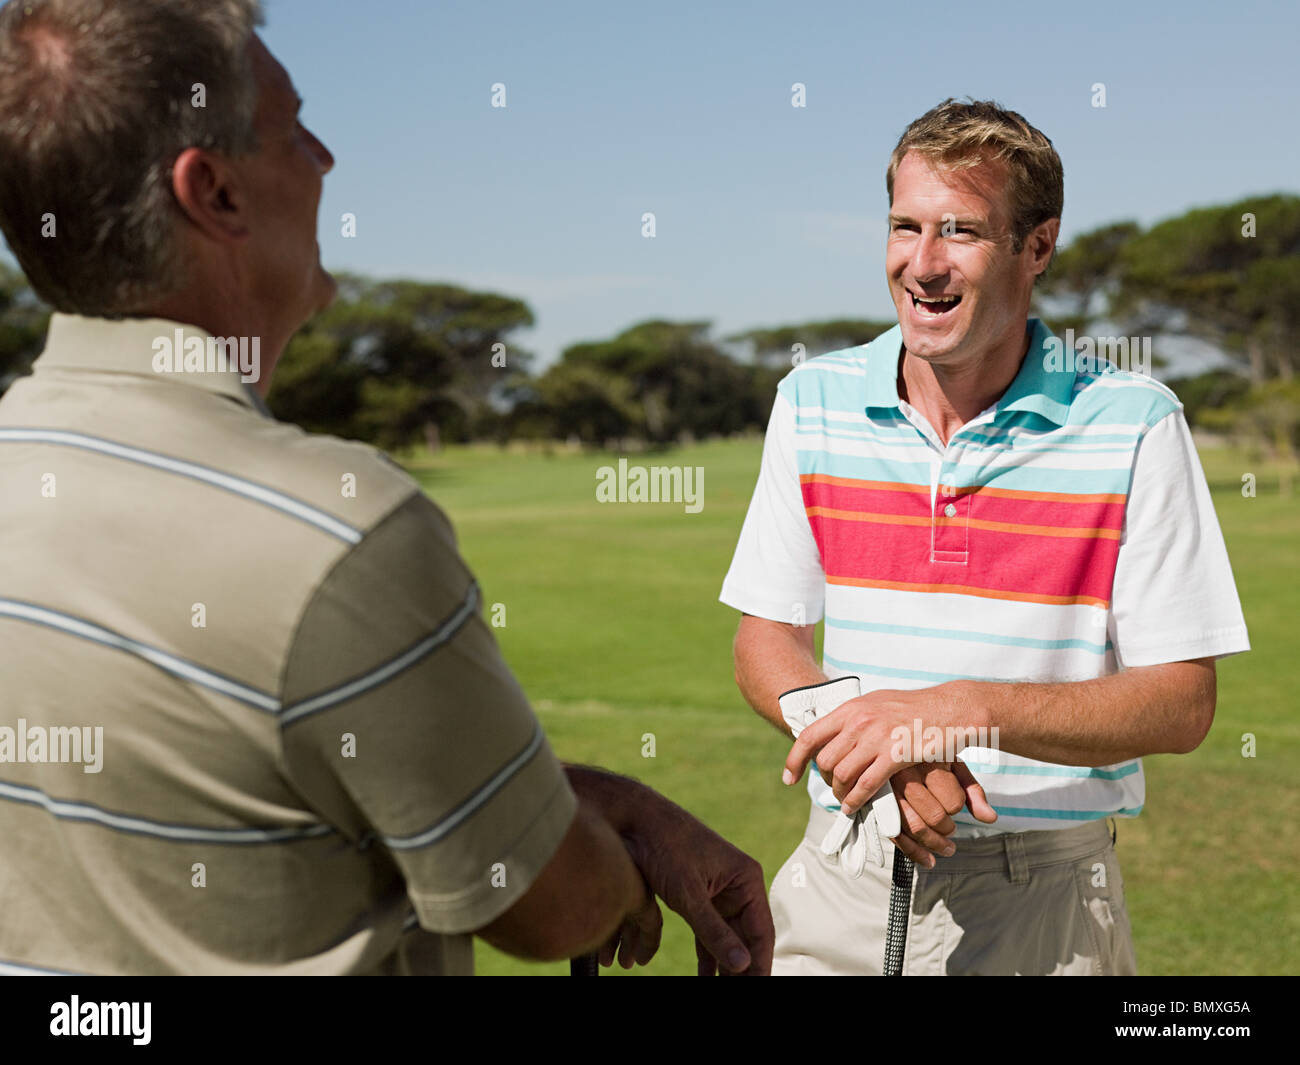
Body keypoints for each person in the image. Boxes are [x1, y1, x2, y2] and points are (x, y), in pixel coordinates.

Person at [0, 0, 773, 976]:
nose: (325, 159)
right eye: (294, 131)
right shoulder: (338, 529)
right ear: (216, 195)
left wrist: (581, 798)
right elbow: (546, 910)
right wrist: (617, 868)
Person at [721, 98, 1250, 976]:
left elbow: (1181, 701)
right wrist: (878, 751)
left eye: (959, 231)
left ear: (1037, 247)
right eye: (904, 226)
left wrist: (959, 712)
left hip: (1040, 902)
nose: (921, 265)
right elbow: (764, 637)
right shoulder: (810, 400)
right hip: (840, 863)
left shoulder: (1135, 424)